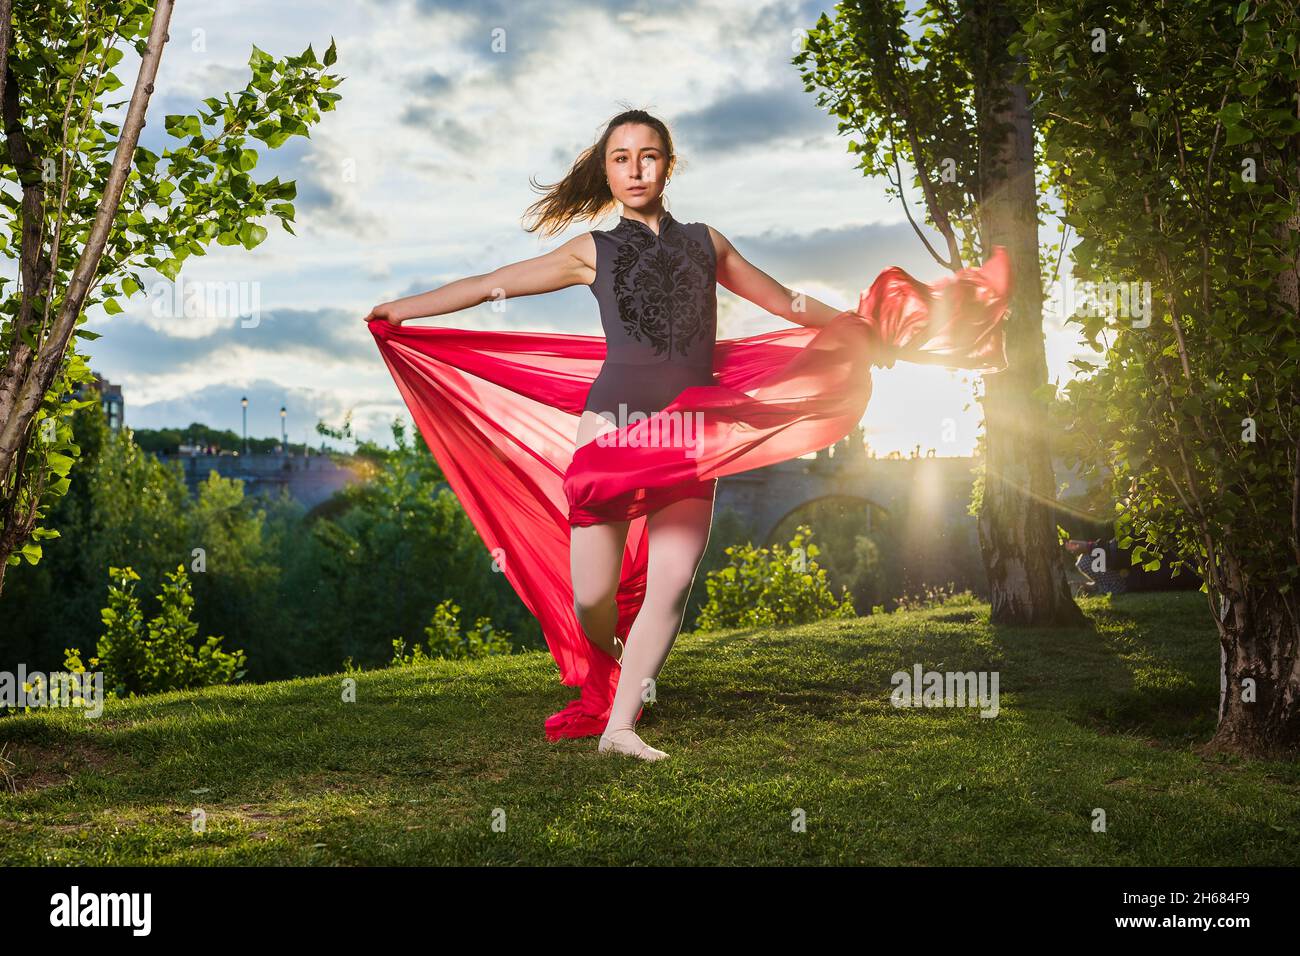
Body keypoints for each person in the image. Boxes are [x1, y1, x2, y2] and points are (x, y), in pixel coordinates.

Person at [362, 109, 1012, 761]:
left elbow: (786, 301)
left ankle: (621, 728)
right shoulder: (593, 250)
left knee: (672, 582)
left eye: (649, 155)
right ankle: (616, 660)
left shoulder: (708, 243)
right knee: (593, 598)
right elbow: (488, 284)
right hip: (611, 431)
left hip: (692, 436)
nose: (636, 168)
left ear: (669, 164)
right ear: (607, 171)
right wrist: (406, 308)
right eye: (621, 158)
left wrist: (863, 332)